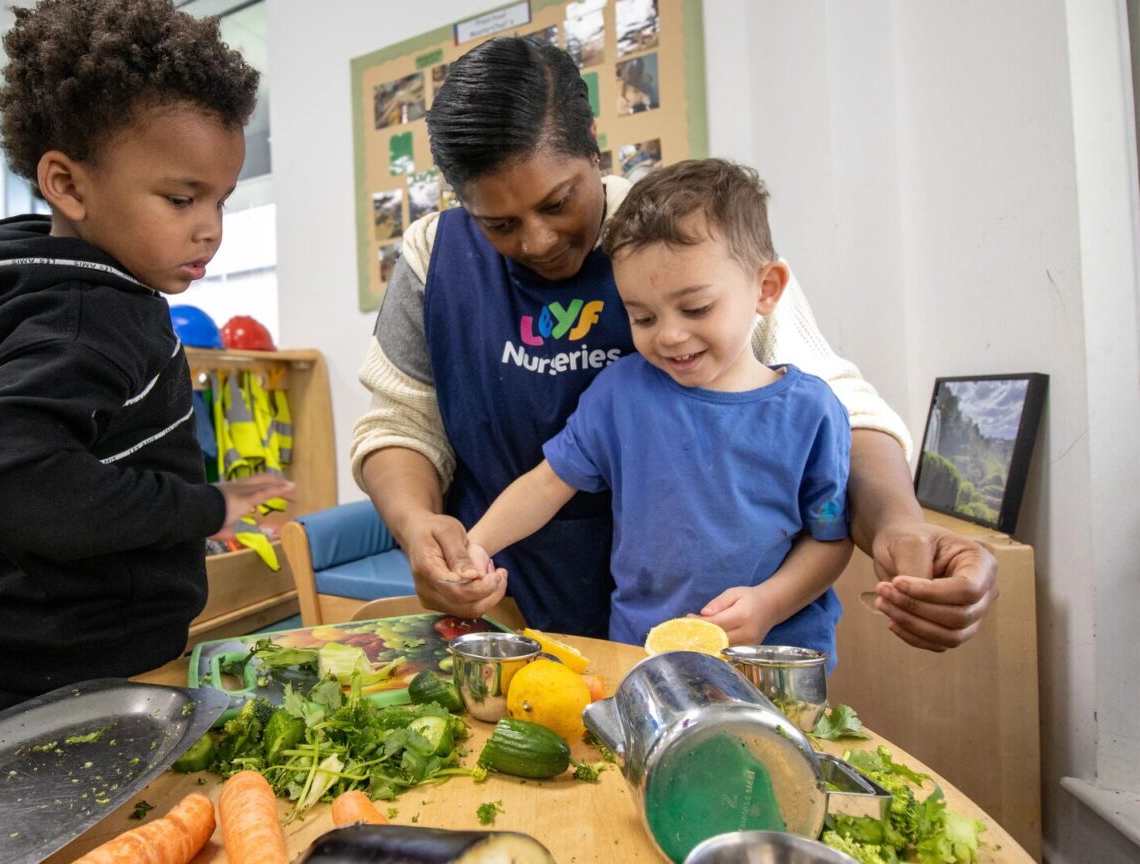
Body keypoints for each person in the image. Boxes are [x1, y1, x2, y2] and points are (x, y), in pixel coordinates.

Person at [351, 36, 997, 650]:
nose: (539, 241)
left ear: (594, 149)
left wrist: (899, 525)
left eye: (558, 203)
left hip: (722, 634)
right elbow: (399, 425)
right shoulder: (434, 257)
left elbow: (836, 404)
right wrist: (426, 534)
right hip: (512, 614)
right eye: (499, 224)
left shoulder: (680, 235)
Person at [0, 0, 290, 733]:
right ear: (69, 185)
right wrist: (203, 507)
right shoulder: (90, 317)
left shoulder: (37, 285)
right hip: (62, 685)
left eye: (220, 199)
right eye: (181, 198)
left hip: (8, 660)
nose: (210, 226)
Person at [468, 159, 853, 662]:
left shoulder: (813, 413)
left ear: (766, 288)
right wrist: (475, 547)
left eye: (695, 309)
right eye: (642, 316)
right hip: (643, 656)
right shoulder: (619, 394)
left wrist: (769, 603)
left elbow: (831, 540)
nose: (669, 335)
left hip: (774, 660)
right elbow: (545, 484)